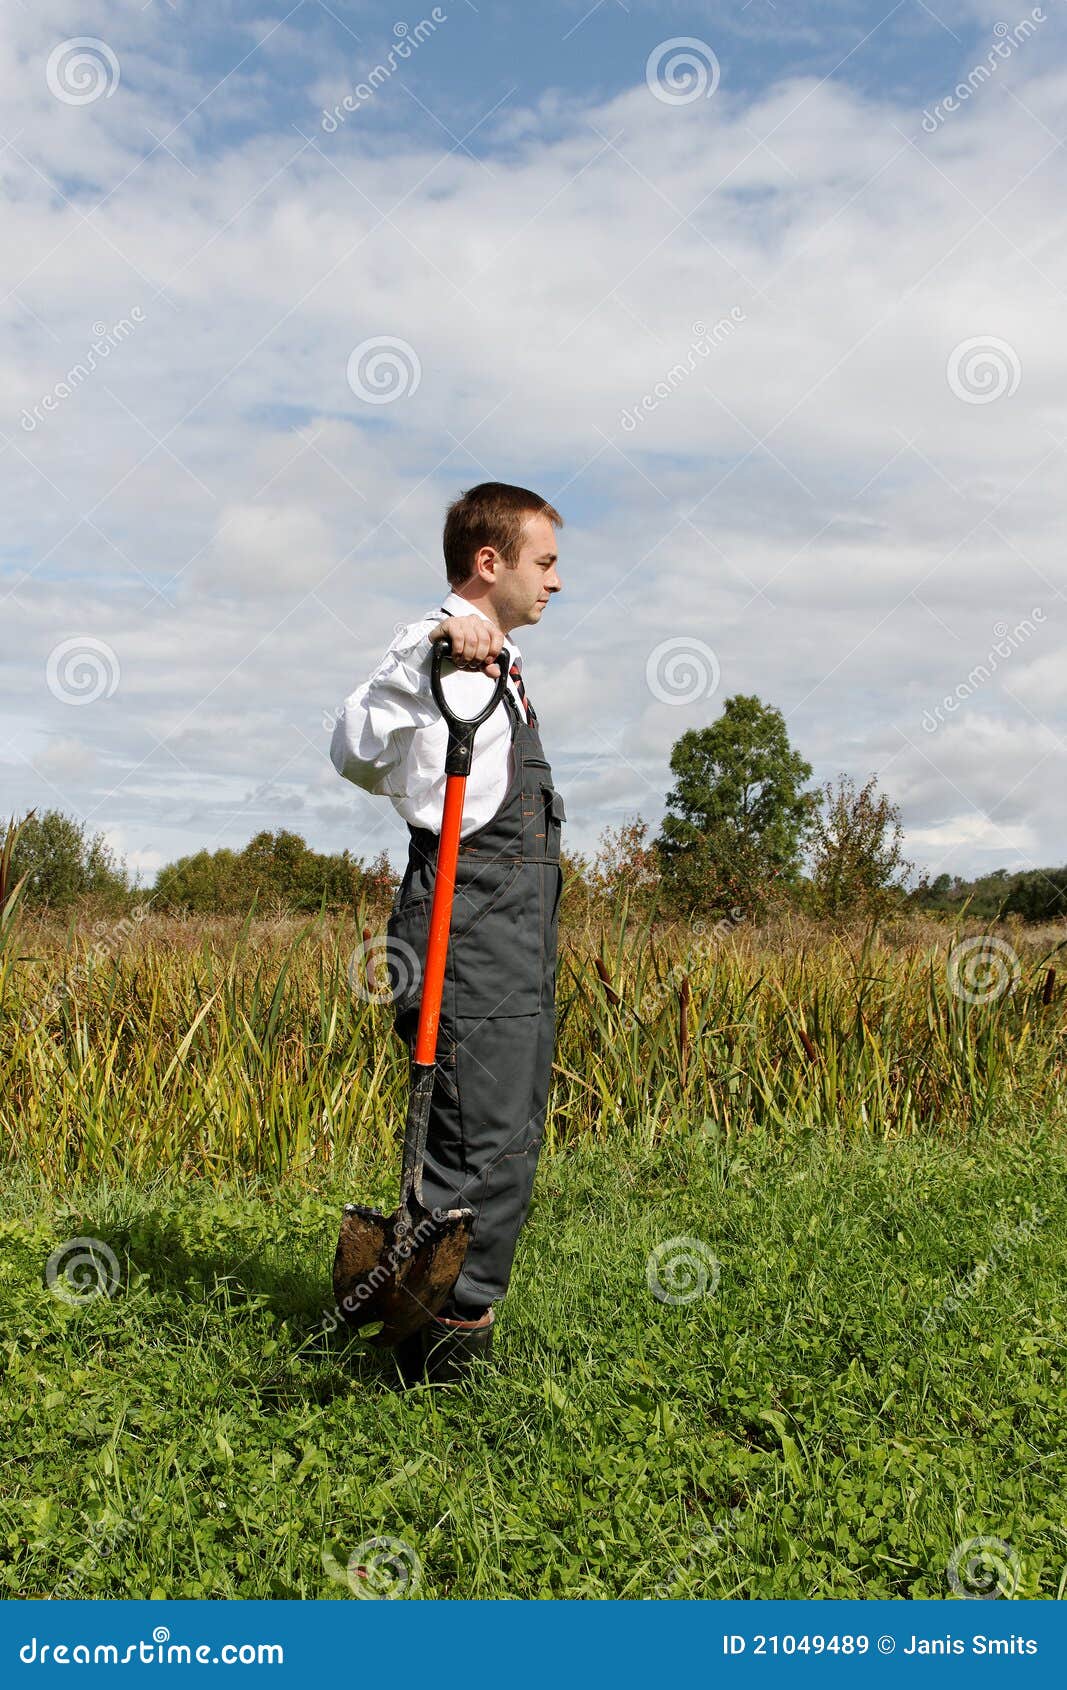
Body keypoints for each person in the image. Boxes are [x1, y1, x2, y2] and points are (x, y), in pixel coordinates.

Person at [329, 482, 565, 1383]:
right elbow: (353, 749)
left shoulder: (499, 668)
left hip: (515, 933)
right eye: (545, 563)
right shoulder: (435, 651)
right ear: (489, 562)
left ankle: (443, 1320)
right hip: (463, 927)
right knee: (480, 1139)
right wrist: (430, 643)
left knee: (509, 1128)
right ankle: (440, 1350)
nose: (555, 581)